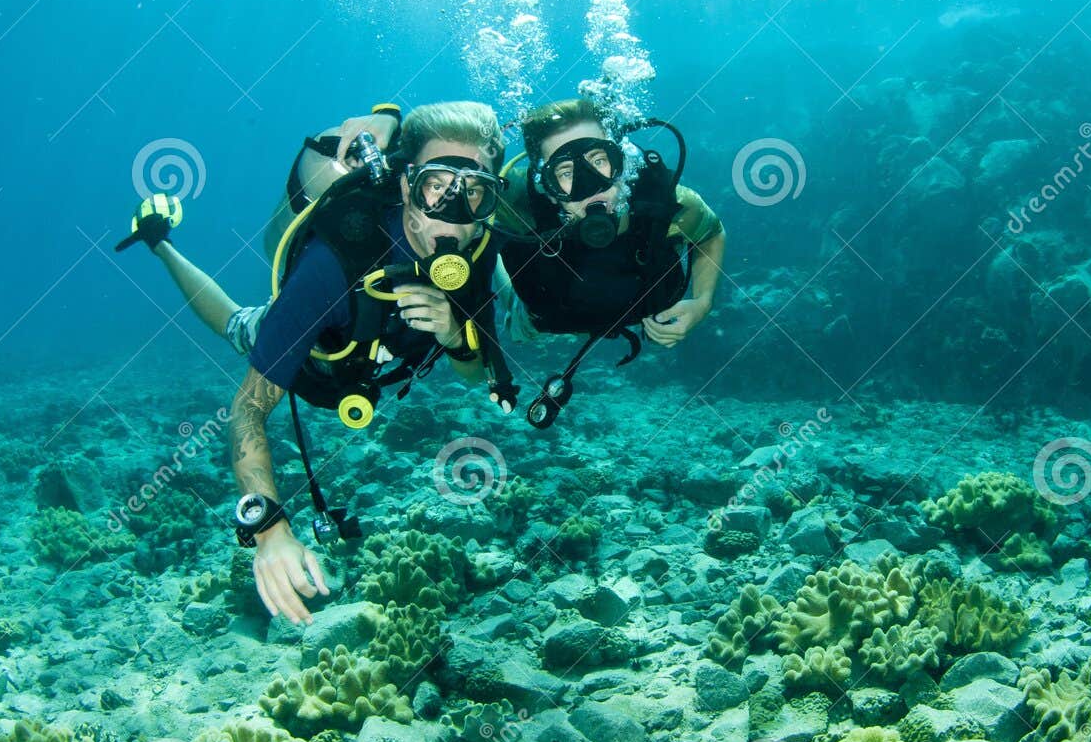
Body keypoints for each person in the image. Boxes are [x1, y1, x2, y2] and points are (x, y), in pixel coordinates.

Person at [118, 102, 515, 623]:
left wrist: (454, 335)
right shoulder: (334, 260)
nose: (452, 212)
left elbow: (471, 374)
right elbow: (247, 412)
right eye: (436, 185)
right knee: (241, 325)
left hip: (378, 366)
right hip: (320, 360)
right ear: (404, 184)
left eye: (474, 192)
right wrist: (269, 529)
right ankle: (159, 243)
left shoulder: (478, 256)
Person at [494, 97, 727, 426]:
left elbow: (711, 232)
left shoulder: (667, 204)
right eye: (565, 171)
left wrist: (702, 303)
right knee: (513, 300)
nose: (589, 184)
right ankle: (512, 297)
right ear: (544, 185)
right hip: (540, 316)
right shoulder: (513, 201)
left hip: (636, 306)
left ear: (622, 161)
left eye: (598, 159)